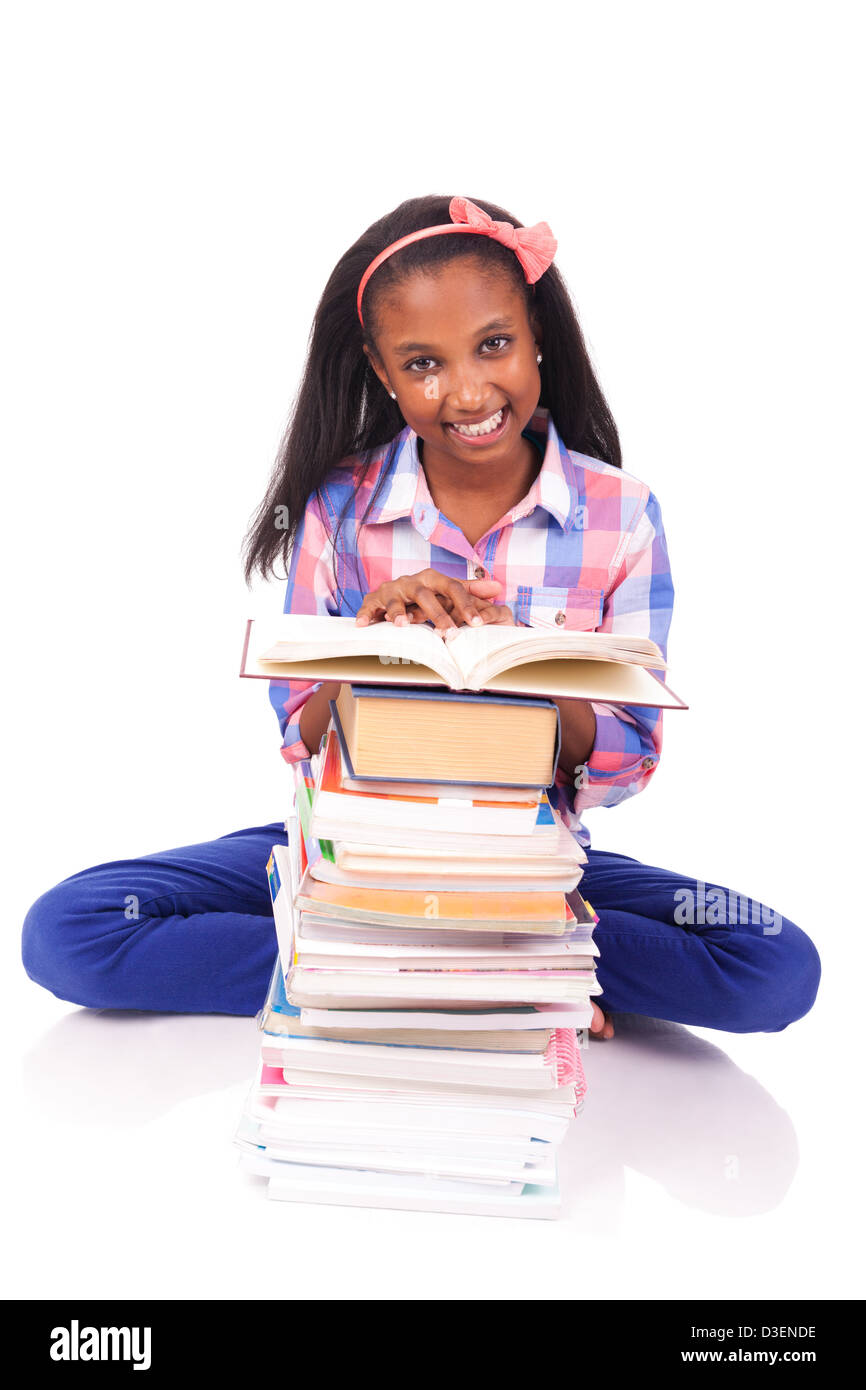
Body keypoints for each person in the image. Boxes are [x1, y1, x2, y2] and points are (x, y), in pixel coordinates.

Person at [22, 194, 820, 1038]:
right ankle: (484, 969)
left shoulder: (621, 515)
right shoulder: (340, 507)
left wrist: (525, 659)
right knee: (72, 928)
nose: (467, 390)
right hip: (351, 854)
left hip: (530, 862)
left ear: (537, 333)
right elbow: (300, 734)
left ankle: (403, 965)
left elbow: (630, 758)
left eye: (494, 344)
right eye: (424, 363)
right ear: (382, 371)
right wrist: (368, 648)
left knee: (770, 960)